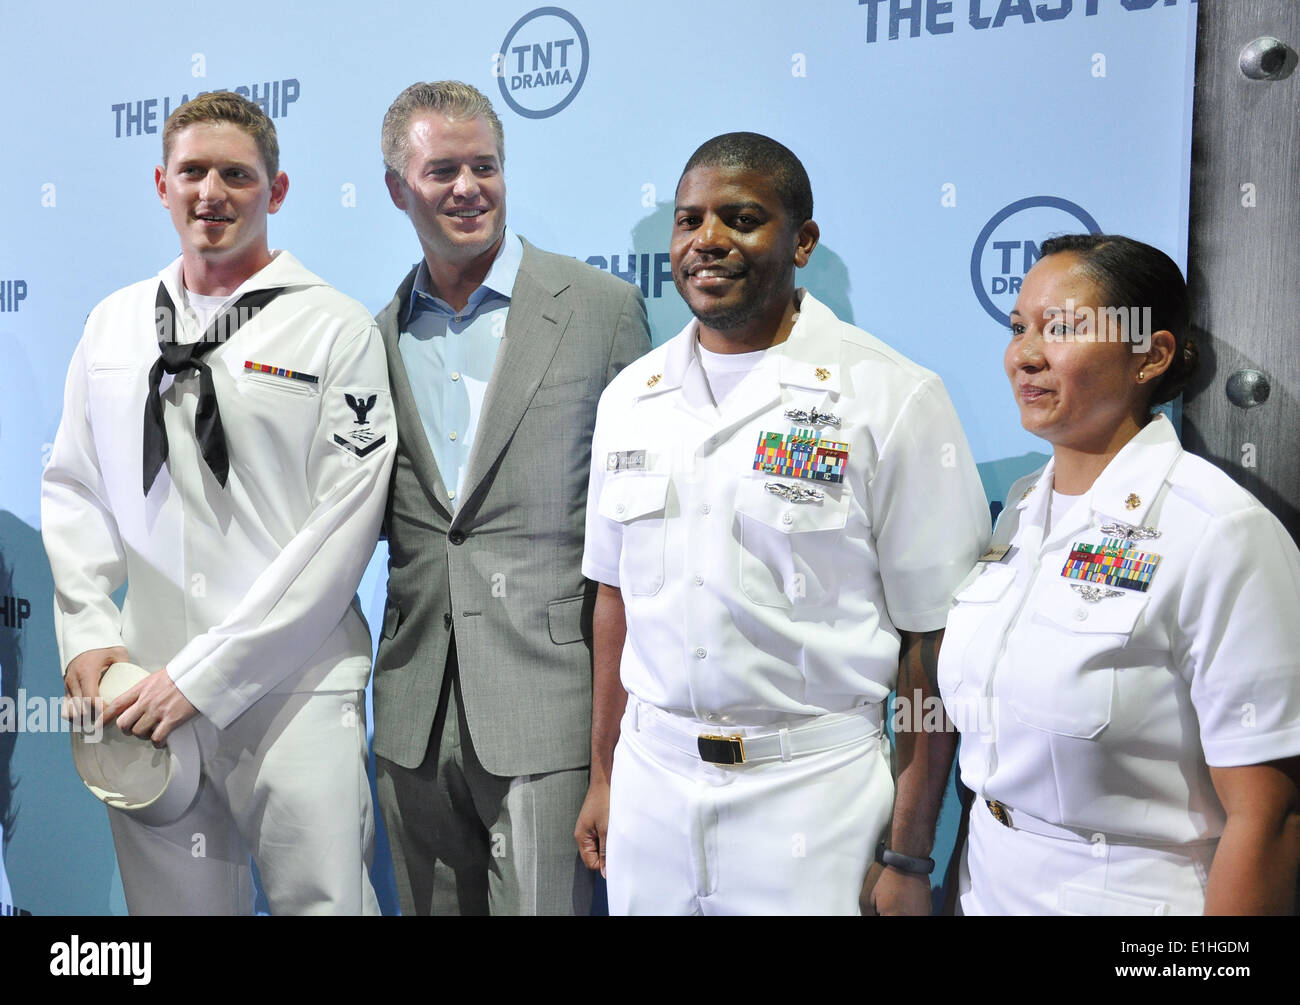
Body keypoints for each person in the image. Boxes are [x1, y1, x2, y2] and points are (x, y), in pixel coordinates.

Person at [576, 132, 989, 915]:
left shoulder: (890, 396)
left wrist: (909, 849)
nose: (708, 240)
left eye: (741, 218)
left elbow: (930, 645)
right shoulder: (630, 396)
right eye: (689, 219)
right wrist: (604, 777)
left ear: (802, 240)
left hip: (814, 795)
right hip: (651, 789)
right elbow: (614, 601)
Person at [40, 92, 395, 915]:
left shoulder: (335, 329)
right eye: (193, 171)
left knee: (327, 906)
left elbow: (341, 529)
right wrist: (89, 632)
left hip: (294, 691)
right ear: (161, 182)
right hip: (142, 693)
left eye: (237, 174)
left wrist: (206, 674)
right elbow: (74, 486)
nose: (212, 192)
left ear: (276, 192)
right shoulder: (114, 323)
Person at [939, 233, 1300, 915]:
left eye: (1064, 327)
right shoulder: (1020, 507)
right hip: (984, 887)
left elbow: (1270, 816)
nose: (1026, 354)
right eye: (1019, 328)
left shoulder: (1221, 530)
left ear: (1152, 355)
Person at [372, 80, 651, 916]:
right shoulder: (373, 336)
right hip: (412, 716)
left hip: (552, 712)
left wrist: (611, 747)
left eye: (485, 166)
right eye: (442, 170)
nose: (468, 188)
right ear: (396, 189)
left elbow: (634, 540)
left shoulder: (601, 312)